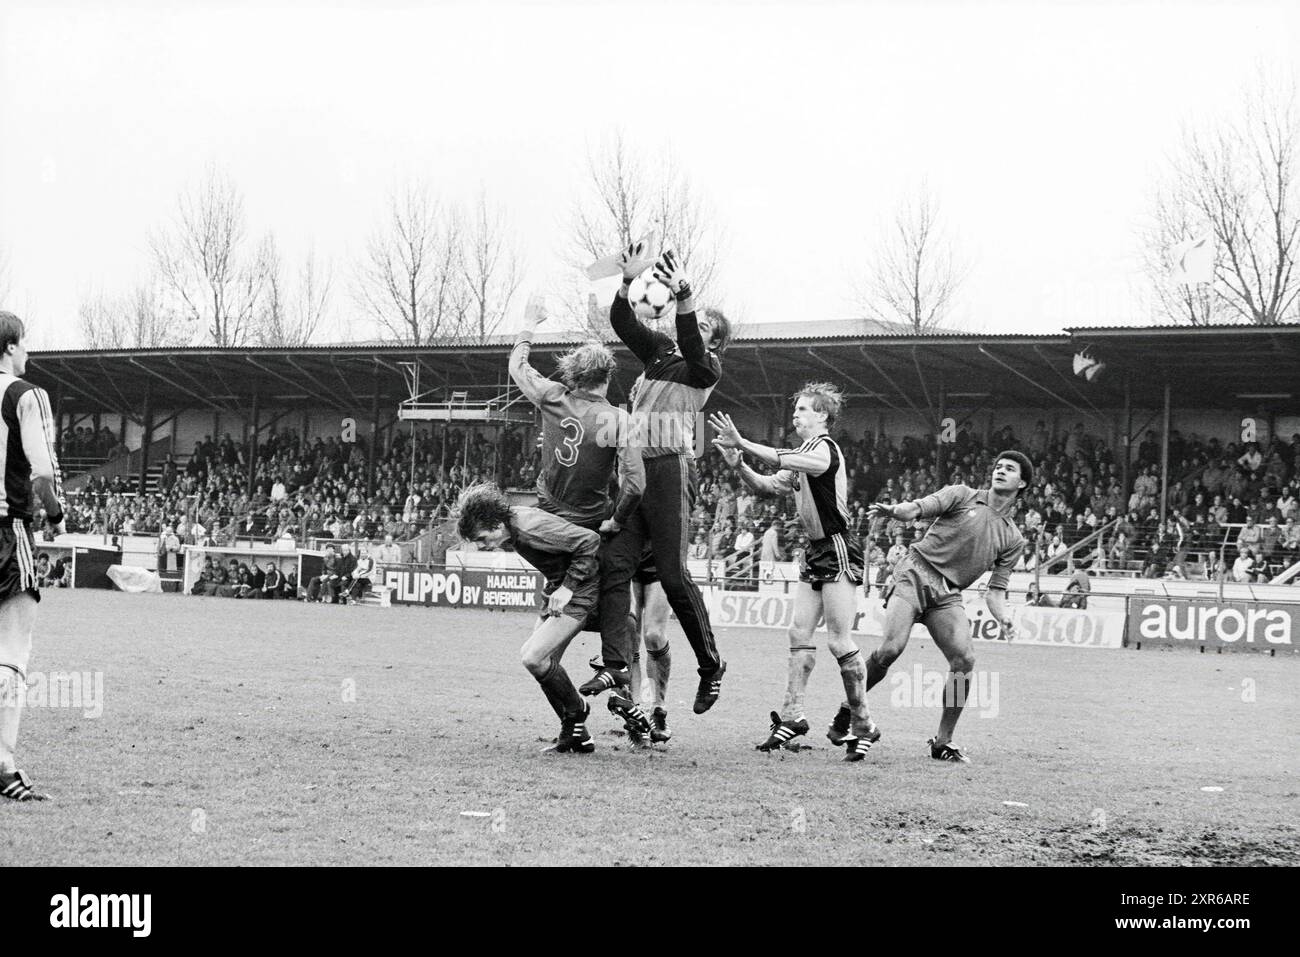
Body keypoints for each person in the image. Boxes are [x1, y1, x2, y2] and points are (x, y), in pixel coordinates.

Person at [711, 383, 878, 761]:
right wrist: (740, 466)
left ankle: (864, 722)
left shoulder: (824, 449)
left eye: (803, 409)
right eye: (796, 409)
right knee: (798, 633)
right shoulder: (804, 454)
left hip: (836, 546)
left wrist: (743, 442)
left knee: (839, 641)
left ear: (822, 416)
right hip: (815, 550)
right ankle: (793, 715)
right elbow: (769, 485)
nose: (796, 415)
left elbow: (781, 460)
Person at [600, 241, 732, 715]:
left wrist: (686, 296)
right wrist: (626, 282)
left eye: (703, 325)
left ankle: (711, 666)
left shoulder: (706, 367)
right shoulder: (658, 350)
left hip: (671, 468)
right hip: (636, 467)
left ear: (714, 340)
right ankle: (615, 667)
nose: (692, 327)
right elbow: (621, 323)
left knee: (674, 577)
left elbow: (693, 343)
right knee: (614, 561)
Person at [507, 296, 648, 733]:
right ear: (609, 376)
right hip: (590, 531)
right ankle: (625, 695)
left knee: (543, 649)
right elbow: (635, 484)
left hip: (549, 529)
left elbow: (517, 368)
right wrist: (617, 520)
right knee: (616, 612)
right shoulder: (618, 419)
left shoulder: (552, 396)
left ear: (573, 374)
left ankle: (580, 719)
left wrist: (529, 324)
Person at [863, 451, 1030, 763]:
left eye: (1010, 469)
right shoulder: (962, 495)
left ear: (1022, 483)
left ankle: (943, 742)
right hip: (916, 571)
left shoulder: (1013, 538)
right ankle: (850, 711)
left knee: (964, 660)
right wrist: (895, 511)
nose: (1000, 471)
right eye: (998, 466)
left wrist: (1005, 619)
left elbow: (995, 593)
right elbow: (917, 508)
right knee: (890, 650)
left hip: (947, 594)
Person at [457, 483, 603, 754]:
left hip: (580, 591)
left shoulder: (528, 526)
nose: (481, 546)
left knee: (533, 657)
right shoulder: (513, 529)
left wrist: (567, 587)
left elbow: (589, 541)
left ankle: (577, 711)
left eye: (481, 538)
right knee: (542, 664)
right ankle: (578, 736)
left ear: (496, 525)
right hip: (559, 591)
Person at [0, 311, 65, 801]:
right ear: (9, 347)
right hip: (8, 529)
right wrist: (57, 516)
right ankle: (3, 765)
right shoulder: (26, 395)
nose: (28, 353)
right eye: (24, 345)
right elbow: (42, 470)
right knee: (12, 653)